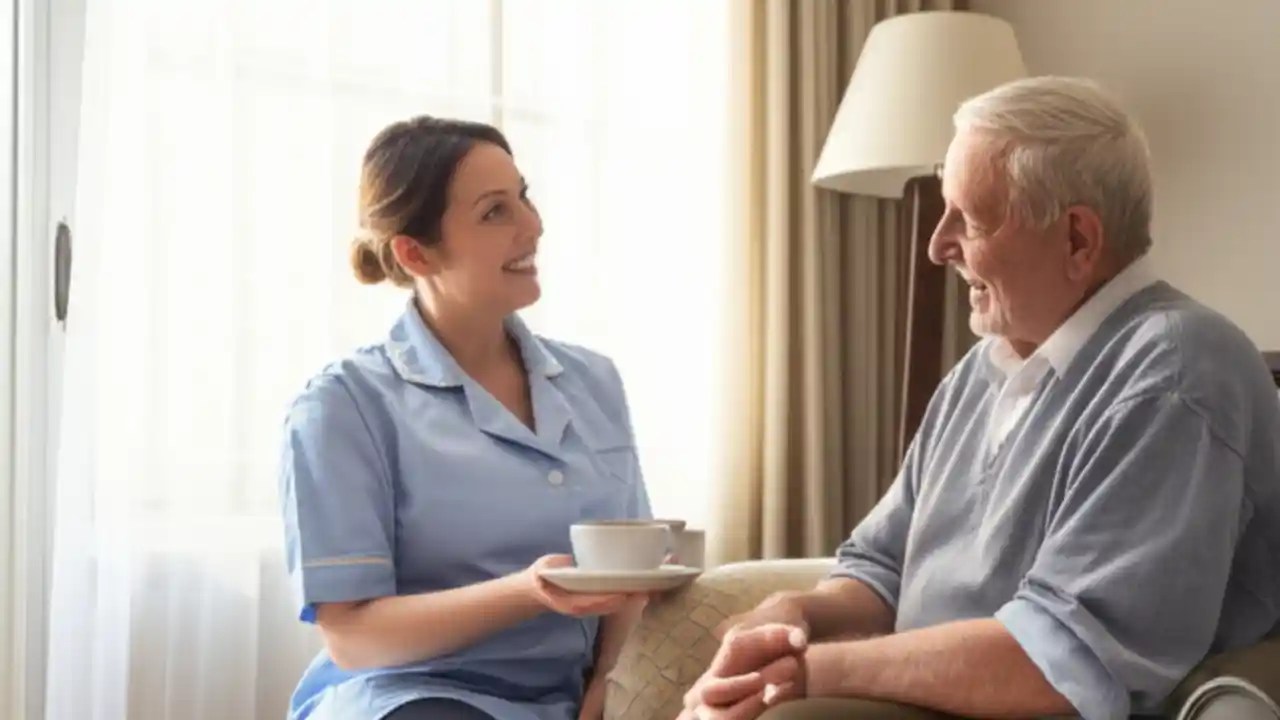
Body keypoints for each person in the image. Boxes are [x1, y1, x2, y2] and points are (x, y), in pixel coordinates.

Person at [683, 76, 1280, 720]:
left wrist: (801, 672)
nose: (938, 244)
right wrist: (797, 614)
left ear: (1077, 239)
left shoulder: (1175, 370)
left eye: (967, 218)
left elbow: (1063, 664)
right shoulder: (986, 366)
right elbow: (884, 565)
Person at [278, 115, 652, 720]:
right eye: (494, 212)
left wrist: (609, 684)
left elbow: (631, 580)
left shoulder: (595, 382)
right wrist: (528, 592)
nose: (533, 225)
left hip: (565, 700)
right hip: (413, 698)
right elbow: (353, 636)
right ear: (414, 252)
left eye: (523, 196)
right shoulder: (343, 406)